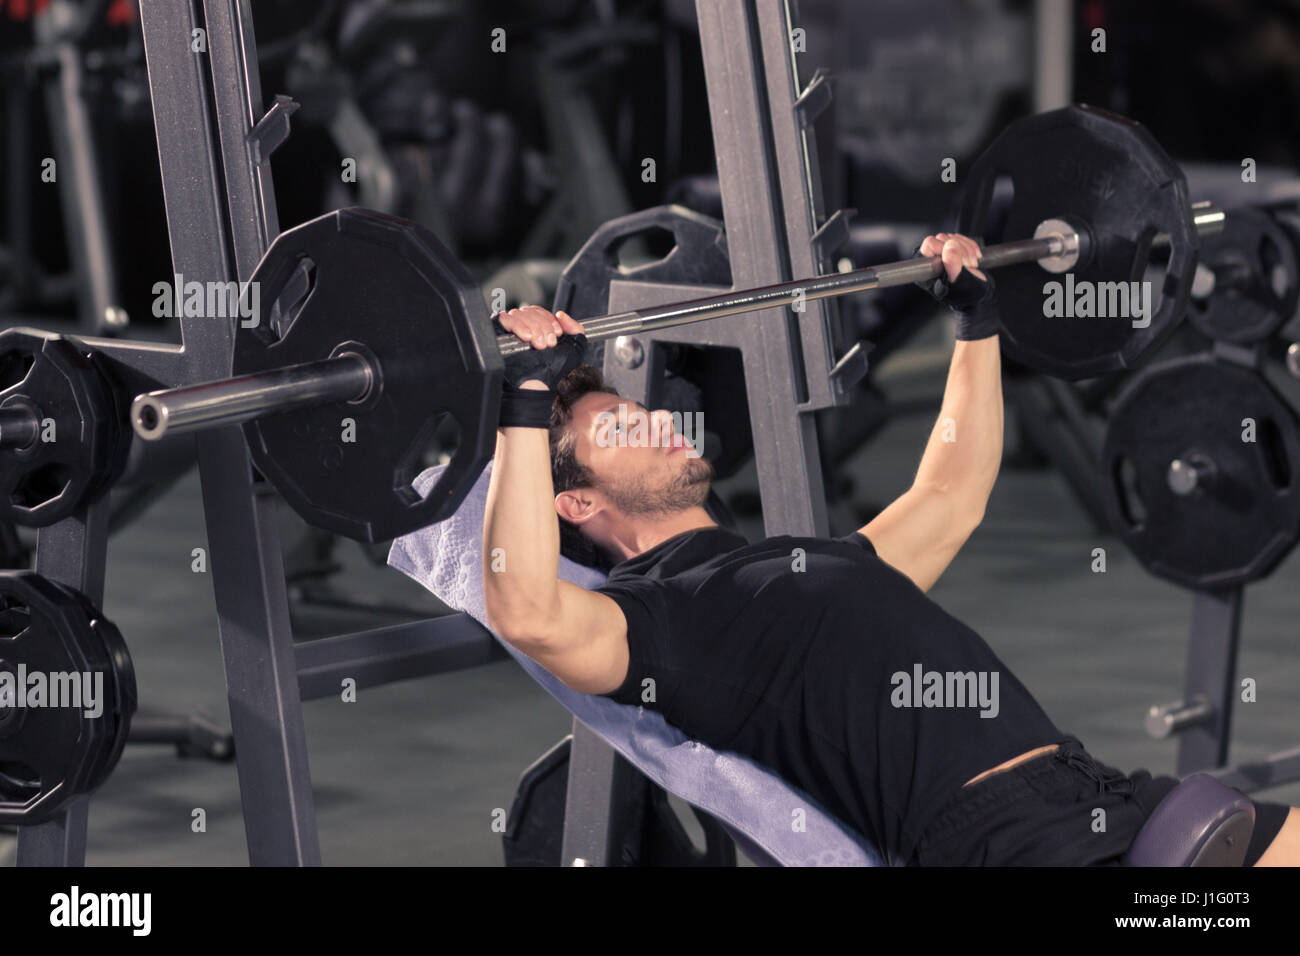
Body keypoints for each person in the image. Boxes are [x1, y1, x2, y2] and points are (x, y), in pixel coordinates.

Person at [481, 233, 1299, 866]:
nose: (658, 418)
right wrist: (525, 399)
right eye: (621, 428)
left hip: (1096, 792)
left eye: (641, 408)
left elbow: (951, 495)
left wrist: (974, 323)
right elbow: (526, 611)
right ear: (577, 500)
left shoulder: (807, 561)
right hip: (1002, 842)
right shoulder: (658, 624)